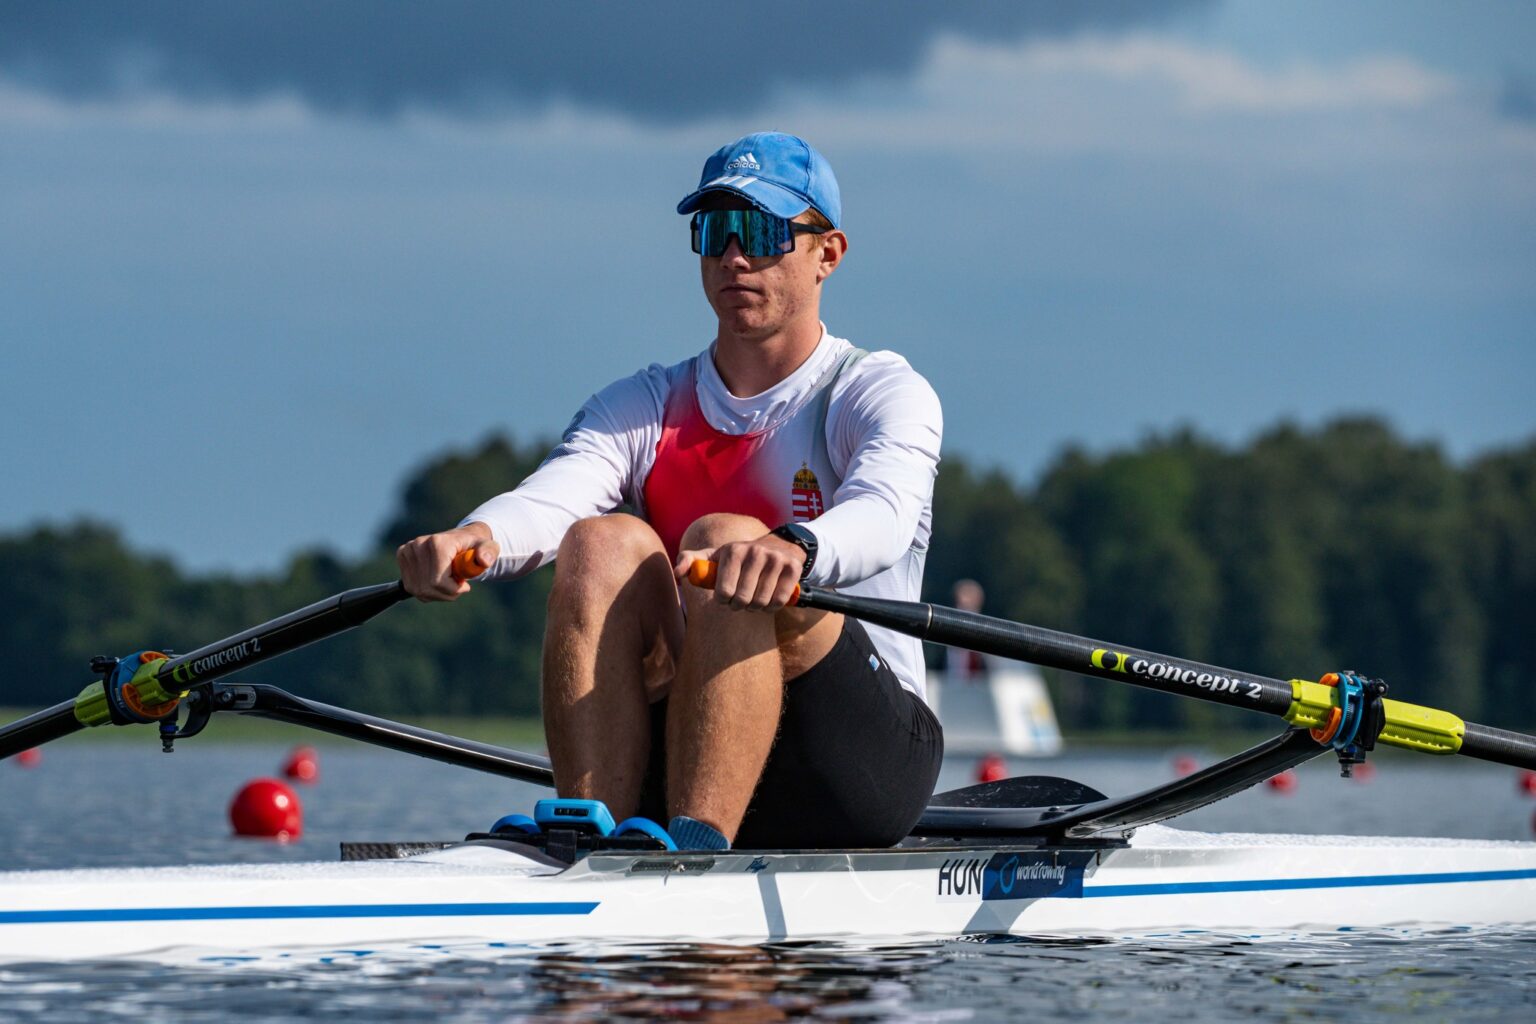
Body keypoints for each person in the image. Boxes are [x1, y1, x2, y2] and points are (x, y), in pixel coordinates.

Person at [397, 131, 944, 850]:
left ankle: (696, 845)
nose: (734, 257)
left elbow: (886, 514)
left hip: (857, 766)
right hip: (690, 742)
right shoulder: (647, 403)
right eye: (716, 232)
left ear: (828, 254)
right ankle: (593, 830)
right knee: (598, 543)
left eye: (764, 231)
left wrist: (799, 548)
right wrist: (476, 540)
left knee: (726, 542)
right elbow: (552, 497)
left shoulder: (875, 391)